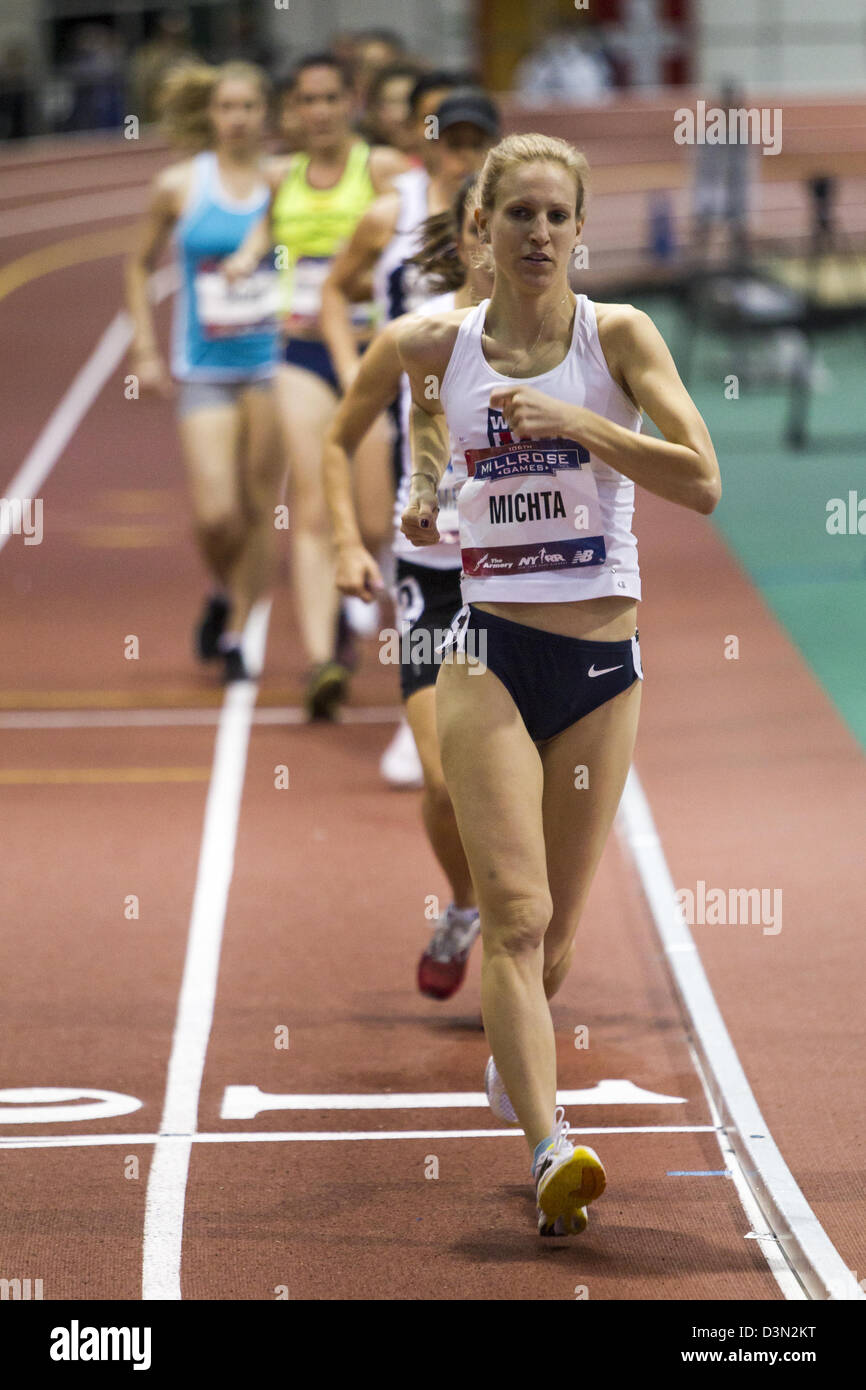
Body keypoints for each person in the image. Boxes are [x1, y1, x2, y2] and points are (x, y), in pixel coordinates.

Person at [345, 133, 721, 1236]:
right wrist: (410, 501)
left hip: (602, 667)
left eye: (558, 216)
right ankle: (550, 1148)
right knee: (513, 915)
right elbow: (367, 424)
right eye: (521, 216)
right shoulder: (437, 344)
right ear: (485, 227)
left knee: (553, 945)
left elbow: (700, 479)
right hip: (487, 653)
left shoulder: (618, 336)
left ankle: (522, 1065)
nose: (540, 235)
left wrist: (580, 424)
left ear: (578, 226)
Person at [324, 176, 493, 999]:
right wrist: (346, 543)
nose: (505, 240)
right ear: (461, 238)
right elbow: (337, 438)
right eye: (485, 225)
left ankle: (525, 930)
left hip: (534, 583)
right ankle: (467, 904)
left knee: (524, 784)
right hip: (432, 581)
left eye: (535, 219)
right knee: (442, 778)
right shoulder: (417, 336)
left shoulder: (584, 336)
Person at [320, 81, 498, 781]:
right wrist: (348, 369)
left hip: (509, 527)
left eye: (475, 143)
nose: (462, 155)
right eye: (451, 142)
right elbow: (339, 289)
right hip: (406, 410)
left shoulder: (531, 251)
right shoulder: (393, 218)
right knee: (388, 526)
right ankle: (415, 704)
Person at [224, 53, 408, 718]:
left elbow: (419, 225)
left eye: (331, 98)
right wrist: (249, 257)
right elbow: (266, 226)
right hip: (301, 351)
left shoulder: (381, 169)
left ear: (350, 102)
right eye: (307, 100)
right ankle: (320, 658)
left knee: (366, 515)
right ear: (293, 111)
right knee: (309, 506)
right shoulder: (283, 176)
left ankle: (360, 583)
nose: (320, 111)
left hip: (373, 351)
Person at [125, 61, 284, 682]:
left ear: (265, 113)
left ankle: (241, 633)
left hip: (274, 362)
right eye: (227, 107)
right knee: (215, 513)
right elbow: (137, 265)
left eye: (249, 106)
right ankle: (222, 592)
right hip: (204, 366)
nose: (238, 118)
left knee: (259, 503)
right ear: (210, 114)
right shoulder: (178, 185)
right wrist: (144, 347)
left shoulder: (283, 180)